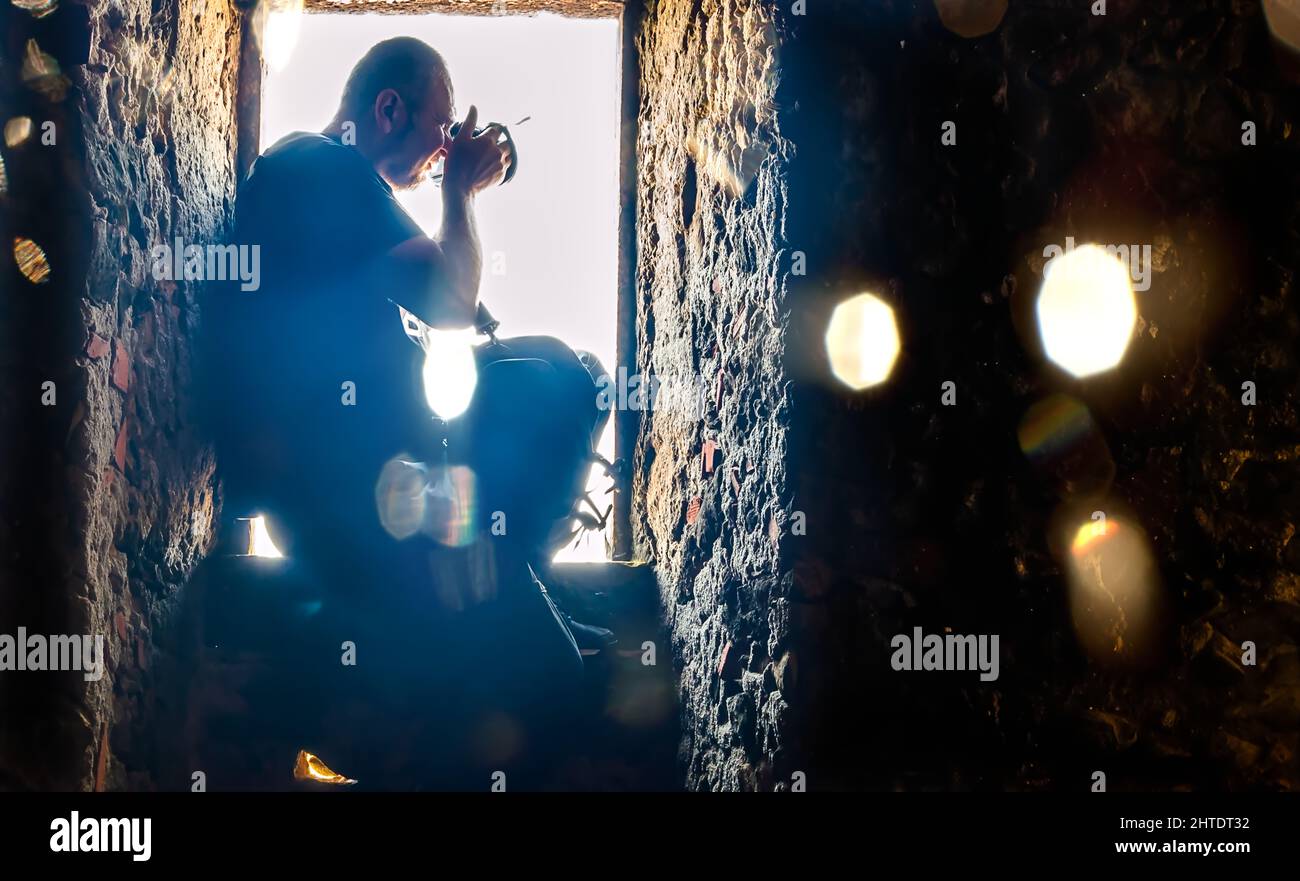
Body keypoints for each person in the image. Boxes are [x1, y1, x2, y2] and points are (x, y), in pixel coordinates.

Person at [197, 38, 590, 775]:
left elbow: (443, 303)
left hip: (362, 499)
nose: (444, 153)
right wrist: (462, 193)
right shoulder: (320, 164)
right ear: (387, 109)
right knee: (568, 377)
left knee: (552, 670)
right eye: (441, 130)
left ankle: (488, 600)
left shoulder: (320, 191)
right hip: (355, 497)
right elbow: (452, 296)